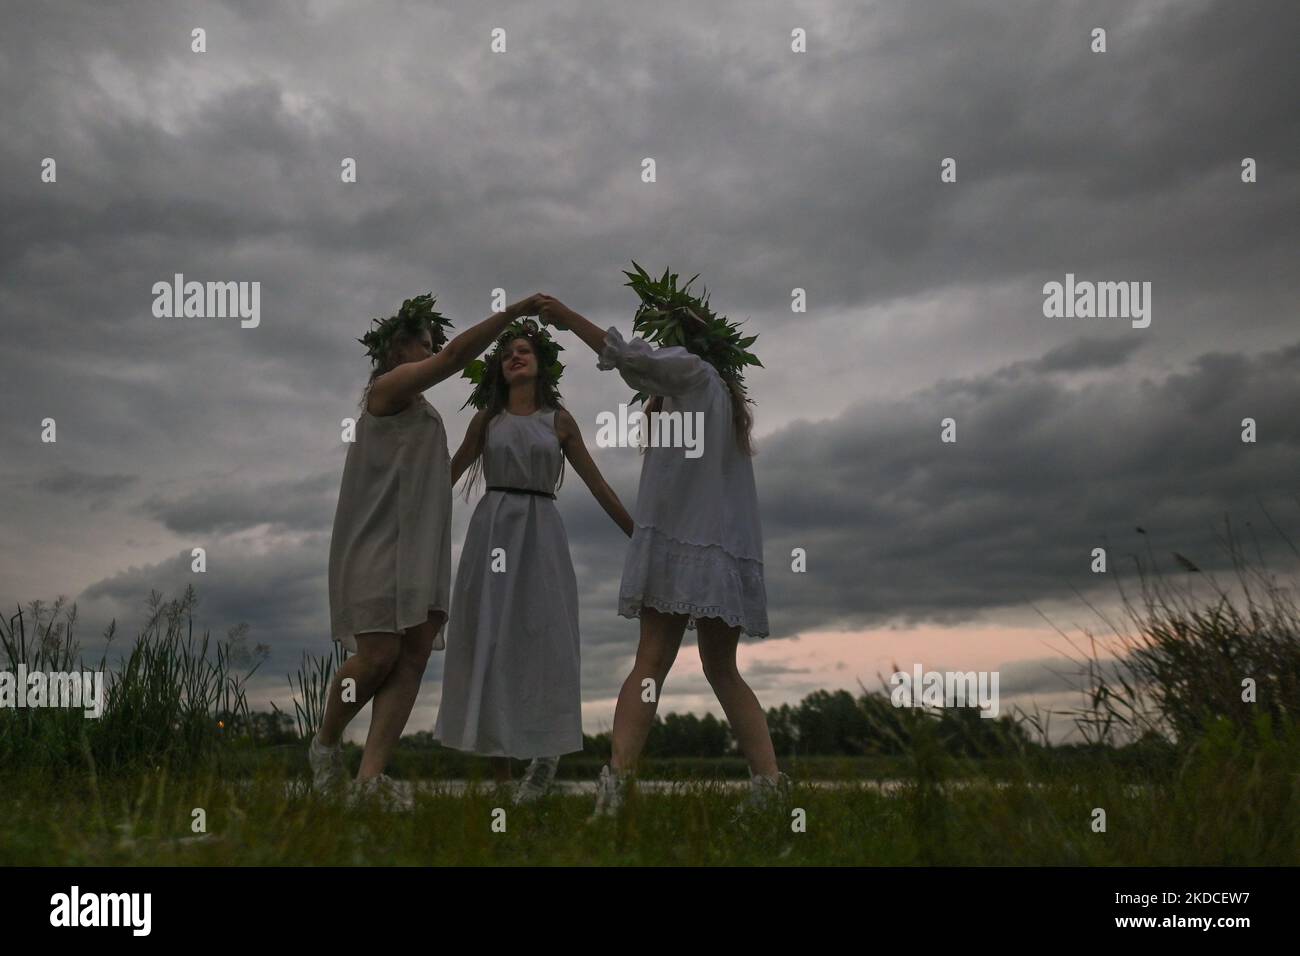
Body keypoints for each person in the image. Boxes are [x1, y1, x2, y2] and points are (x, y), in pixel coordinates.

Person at [538, 268, 786, 817]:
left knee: (649, 662)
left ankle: (617, 788)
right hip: (722, 553)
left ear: (685, 337)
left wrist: (565, 316)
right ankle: (769, 787)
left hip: (683, 547)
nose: (656, 338)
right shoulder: (717, 393)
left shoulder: (692, 371)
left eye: (663, 329)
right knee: (722, 670)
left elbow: (629, 358)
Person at [312, 291, 548, 800]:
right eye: (422, 341)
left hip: (420, 546)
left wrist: (482, 437)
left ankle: (371, 778)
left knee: (414, 653)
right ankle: (326, 747)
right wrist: (511, 313)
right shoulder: (386, 390)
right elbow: (453, 358)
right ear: (396, 350)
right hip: (375, 542)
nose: (431, 347)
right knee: (376, 655)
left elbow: (438, 478)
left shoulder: (425, 412)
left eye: (431, 342)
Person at [434, 319, 633, 803]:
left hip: (542, 527)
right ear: (499, 371)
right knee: (492, 639)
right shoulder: (486, 420)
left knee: (547, 637)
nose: (515, 357)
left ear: (541, 364)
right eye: (507, 355)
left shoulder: (559, 421)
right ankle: (503, 783)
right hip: (494, 529)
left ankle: (545, 759)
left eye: (524, 350)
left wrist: (638, 534)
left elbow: (598, 483)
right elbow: (448, 473)